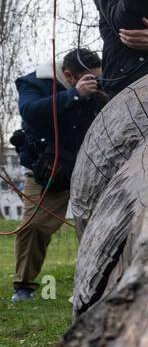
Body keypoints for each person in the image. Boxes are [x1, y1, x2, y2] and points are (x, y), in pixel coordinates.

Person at [9, 48, 105, 301]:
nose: (94, 83)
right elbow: (30, 111)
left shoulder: (99, 86)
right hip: (48, 169)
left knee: (104, 222)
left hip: (92, 165)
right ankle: (24, 286)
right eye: (89, 79)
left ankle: (102, 281)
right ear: (69, 75)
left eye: (97, 78)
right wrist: (74, 96)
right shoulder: (34, 82)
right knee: (35, 226)